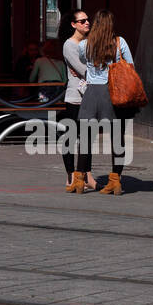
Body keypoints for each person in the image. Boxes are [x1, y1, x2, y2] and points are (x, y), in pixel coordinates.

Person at [71, 10, 133, 195]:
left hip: (91, 94)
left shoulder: (84, 45)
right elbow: (130, 66)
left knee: (85, 139)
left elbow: (83, 61)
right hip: (111, 93)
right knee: (117, 139)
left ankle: (79, 181)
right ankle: (115, 181)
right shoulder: (119, 42)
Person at [61, 11, 91, 191]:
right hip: (74, 97)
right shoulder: (69, 45)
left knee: (87, 139)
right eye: (82, 21)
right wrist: (92, 70)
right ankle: (70, 174)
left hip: (89, 95)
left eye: (87, 20)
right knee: (71, 137)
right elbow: (84, 69)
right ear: (74, 24)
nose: (87, 23)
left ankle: (87, 175)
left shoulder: (88, 43)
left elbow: (95, 67)